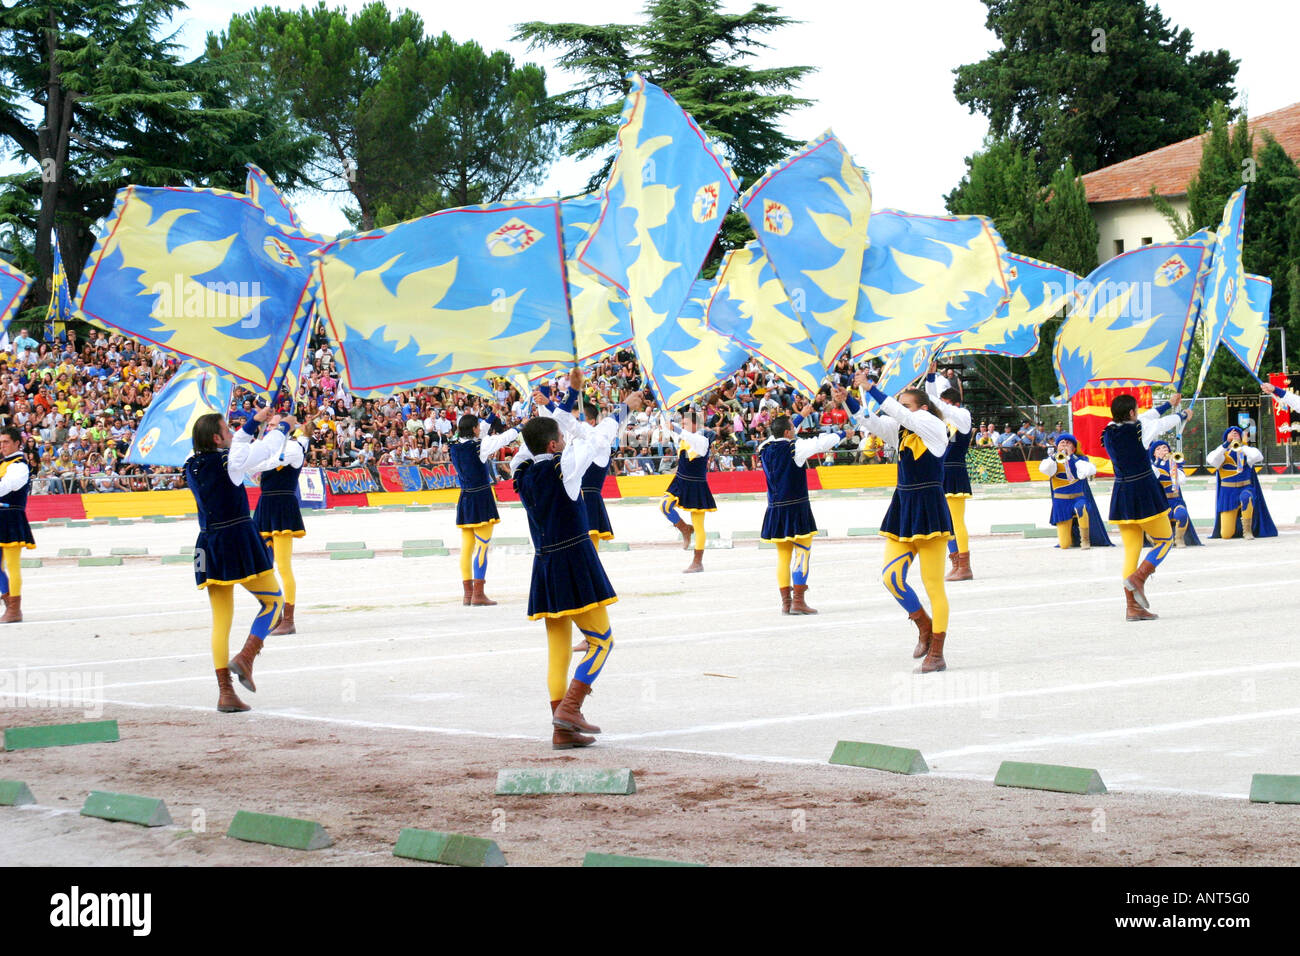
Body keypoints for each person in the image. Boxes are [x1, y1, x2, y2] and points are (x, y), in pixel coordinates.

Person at [510, 374, 643, 750]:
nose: (567, 441)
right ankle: (571, 707)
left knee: (558, 650)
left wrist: (567, 396)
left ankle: (560, 730)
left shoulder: (520, 472)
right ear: (554, 444)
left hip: (545, 566)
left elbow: (534, 439)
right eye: (561, 439)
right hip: (575, 561)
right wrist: (622, 410)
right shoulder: (564, 468)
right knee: (602, 641)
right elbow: (597, 439)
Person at [849, 371, 952, 673]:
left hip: (930, 509)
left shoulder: (934, 425)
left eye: (906, 405)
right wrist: (851, 401)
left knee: (934, 585)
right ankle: (923, 624)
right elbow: (873, 423)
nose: (900, 409)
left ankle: (938, 650)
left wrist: (873, 388)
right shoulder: (904, 428)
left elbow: (894, 412)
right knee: (891, 578)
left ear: (921, 407)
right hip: (903, 508)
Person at [185, 408, 286, 712]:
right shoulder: (231, 462)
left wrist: (256, 421)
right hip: (239, 540)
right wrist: (281, 428)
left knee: (221, 621)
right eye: (226, 431)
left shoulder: (191, 465)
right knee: (274, 602)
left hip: (209, 541)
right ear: (217, 438)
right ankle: (247, 656)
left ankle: (225, 692)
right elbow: (265, 449)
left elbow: (240, 445)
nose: (231, 433)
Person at [757, 393, 851, 615]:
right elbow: (820, 443)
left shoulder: (764, 448)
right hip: (797, 507)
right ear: (789, 433)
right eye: (793, 428)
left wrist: (800, 416)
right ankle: (799, 600)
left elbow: (779, 433)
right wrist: (842, 434)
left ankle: (786, 602)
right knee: (803, 552)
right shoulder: (795, 448)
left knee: (783, 556)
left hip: (775, 508)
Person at [1101, 394, 1189, 622]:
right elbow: (1160, 424)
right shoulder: (1141, 430)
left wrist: (1169, 404)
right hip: (1144, 493)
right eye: (1136, 410)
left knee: (1131, 551)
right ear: (1132, 413)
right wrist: (1182, 415)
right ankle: (1140, 577)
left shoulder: (1109, 430)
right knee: (1165, 540)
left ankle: (1132, 607)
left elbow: (1150, 416)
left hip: (1121, 496)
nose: (1139, 412)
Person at [449, 404, 520, 606]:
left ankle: (467, 594)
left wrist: (493, 415)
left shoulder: (454, 445)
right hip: (481, 498)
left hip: (465, 498)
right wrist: (520, 428)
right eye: (477, 427)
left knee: (466, 548)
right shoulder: (480, 446)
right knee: (482, 546)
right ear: (473, 430)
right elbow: (501, 439)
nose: (480, 429)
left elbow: (485, 431)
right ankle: (479, 593)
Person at [253, 417, 312, 634]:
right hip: (264, 507)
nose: (270, 428)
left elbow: (265, 463)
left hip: (282, 508)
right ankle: (274, 611)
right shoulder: (269, 447)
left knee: (284, 567)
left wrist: (248, 458)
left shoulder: (293, 449)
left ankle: (288, 619)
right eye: (269, 425)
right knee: (261, 565)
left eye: (275, 425)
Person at [924, 365, 975, 580]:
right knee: (947, 522)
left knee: (956, 520)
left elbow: (933, 401)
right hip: (942, 473)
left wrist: (931, 379)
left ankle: (965, 565)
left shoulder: (963, 416)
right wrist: (929, 376)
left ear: (953, 403)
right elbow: (931, 400)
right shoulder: (944, 421)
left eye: (944, 404)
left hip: (955, 472)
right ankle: (955, 561)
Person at [659, 409, 715, 573]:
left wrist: (676, 428)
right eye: (682, 423)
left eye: (685, 423)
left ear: (695, 425)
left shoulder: (701, 440)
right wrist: (665, 412)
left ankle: (698, 562)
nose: (682, 425)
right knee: (664, 505)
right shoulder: (682, 436)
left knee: (699, 526)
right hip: (680, 480)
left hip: (696, 485)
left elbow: (685, 434)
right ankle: (684, 528)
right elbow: (669, 427)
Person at [1037, 433, 1111, 549]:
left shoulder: (1081, 460)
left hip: (1078, 498)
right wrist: (1055, 457)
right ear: (1057, 446)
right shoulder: (1052, 461)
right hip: (1061, 502)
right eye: (1062, 443)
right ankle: (1070, 538)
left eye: (1068, 443)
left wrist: (1072, 457)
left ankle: (1085, 540)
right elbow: (1044, 469)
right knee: (1064, 545)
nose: (1065, 444)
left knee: (1082, 508)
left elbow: (1089, 471)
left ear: (1074, 447)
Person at [1206, 424, 1276, 540]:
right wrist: (1226, 444)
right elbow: (1212, 460)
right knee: (1226, 534)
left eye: (1237, 434)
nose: (1234, 436)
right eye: (1231, 434)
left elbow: (1258, 456)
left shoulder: (1246, 452)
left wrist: (1241, 446)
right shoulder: (1221, 454)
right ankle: (1237, 528)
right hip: (1227, 493)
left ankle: (1247, 531)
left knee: (1246, 498)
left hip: (1245, 488)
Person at [0, 426, 35, 622]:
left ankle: (14, 609)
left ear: (16, 443)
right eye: (0, 442)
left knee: (12, 565)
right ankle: (6, 599)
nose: (2, 446)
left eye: (5, 442)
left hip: (11, 517)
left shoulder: (19, 465)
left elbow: (7, 486)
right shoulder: (3, 463)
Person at [1149, 440, 1201, 547]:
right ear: (1154, 453)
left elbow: (1181, 480)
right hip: (1159, 502)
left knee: (1181, 513)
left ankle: (1179, 539)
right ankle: (1161, 539)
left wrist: (1173, 465)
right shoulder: (1151, 466)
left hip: (1175, 500)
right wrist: (1160, 463)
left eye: (1165, 448)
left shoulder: (1174, 464)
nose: (1162, 451)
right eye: (1158, 449)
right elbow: (1155, 475)